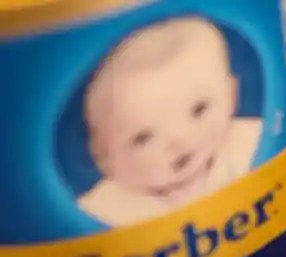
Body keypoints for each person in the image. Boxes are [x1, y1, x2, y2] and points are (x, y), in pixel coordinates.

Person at [77, 16, 262, 227]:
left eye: (199, 110)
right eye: (143, 138)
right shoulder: (102, 209)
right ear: (103, 158)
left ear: (231, 94)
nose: (179, 141)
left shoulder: (247, 144)